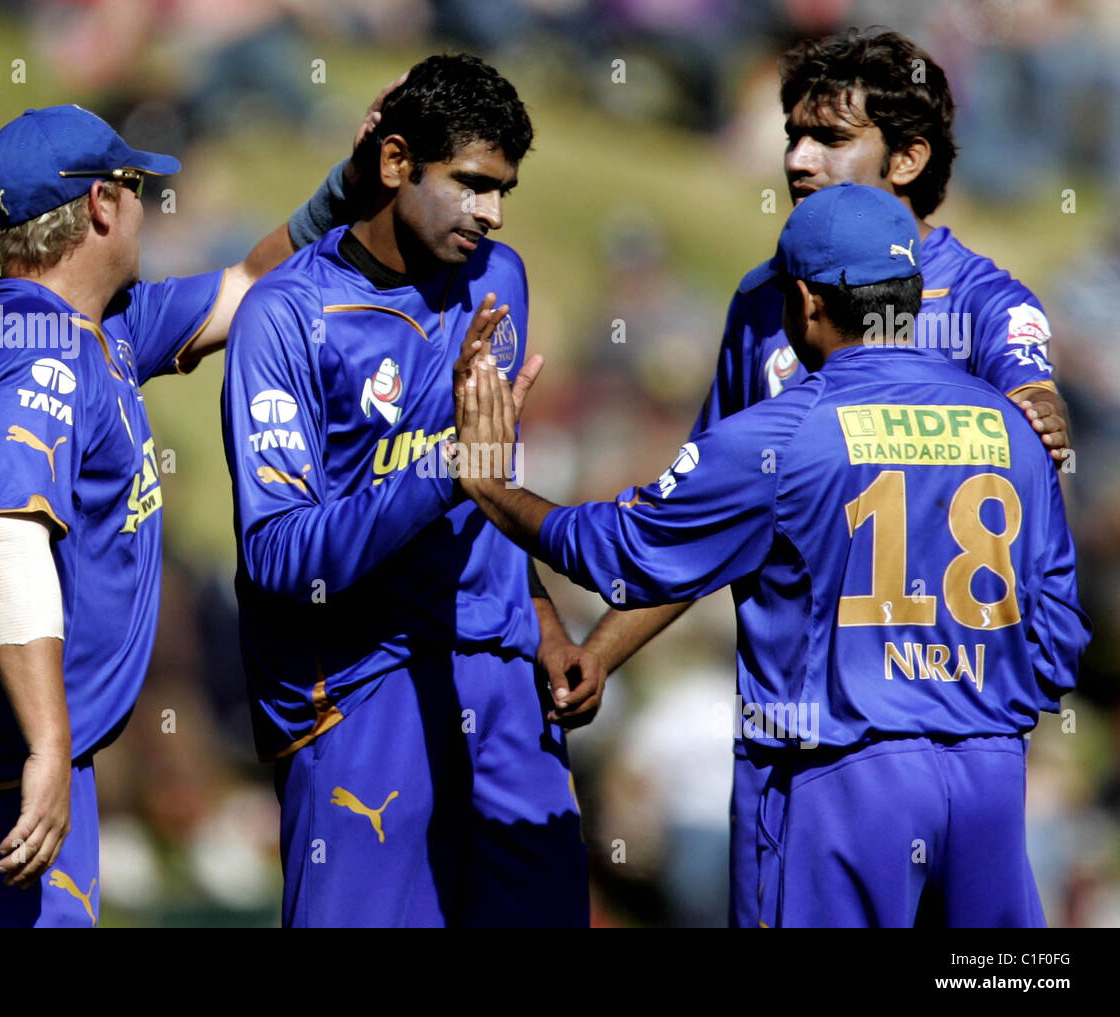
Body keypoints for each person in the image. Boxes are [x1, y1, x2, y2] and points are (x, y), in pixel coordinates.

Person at [454, 182, 1090, 927]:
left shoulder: (782, 434)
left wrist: (490, 484)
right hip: (991, 783)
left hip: (842, 780)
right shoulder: (1014, 427)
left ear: (806, 301)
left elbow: (618, 552)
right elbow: (1058, 637)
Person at [554, 27, 1075, 928]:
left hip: (903, 756)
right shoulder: (767, 302)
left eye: (830, 137)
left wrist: (1038, 398)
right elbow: (699, 521)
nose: (796, 157)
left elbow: (1031, 399)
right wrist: (598, 653)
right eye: (793, 132)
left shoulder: (988, 305)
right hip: (808, 745)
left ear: (908, 158)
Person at [0, 95, 389, 927]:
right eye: (137, 187)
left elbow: (248, 283)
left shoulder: (91, 328)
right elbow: (6, 542)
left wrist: (351, 185)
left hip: (4, 744)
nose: (149, 208)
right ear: (102, 203)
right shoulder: (38, 357)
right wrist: (48, 744)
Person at [221, 54, 591, 928]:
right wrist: (440, 471)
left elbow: (490, 484)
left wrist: (540, 615)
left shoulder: (498, 278)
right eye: (472, 185)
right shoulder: (286, 317)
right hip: (363, 680)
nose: (493, 214)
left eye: (504, 190)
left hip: (502, 670)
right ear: (395, 162)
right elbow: (278, 554)